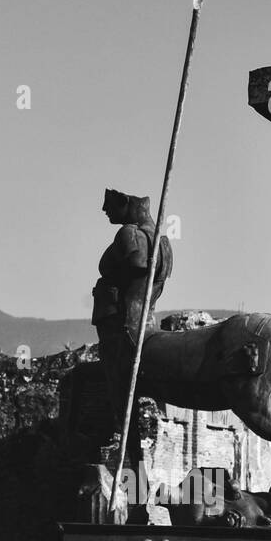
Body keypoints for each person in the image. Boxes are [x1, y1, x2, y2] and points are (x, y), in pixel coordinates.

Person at [91, 188, 172, 463]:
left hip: (124, 324)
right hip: (139, 319)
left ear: (125, 203)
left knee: (118, 392)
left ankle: (124, 449)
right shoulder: (160, 237)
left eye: (109, 206)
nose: (105, 212)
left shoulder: (131, 233)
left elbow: (137, 264)